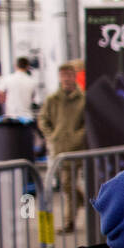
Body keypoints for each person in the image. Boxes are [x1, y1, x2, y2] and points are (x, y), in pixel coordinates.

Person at [38, 63, 88, 233]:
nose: (66, 79)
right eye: (63, 75)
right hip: (58, 148)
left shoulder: (83, 99)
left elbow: (88, 122)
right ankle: (83, 201)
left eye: (69, 75)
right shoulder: (52, 99)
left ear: (74, 76)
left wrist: (78, 136)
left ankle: (69, 221)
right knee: (67, 184)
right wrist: (51, 135)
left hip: (77, 149)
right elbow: (43, 119)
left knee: (68, 184)